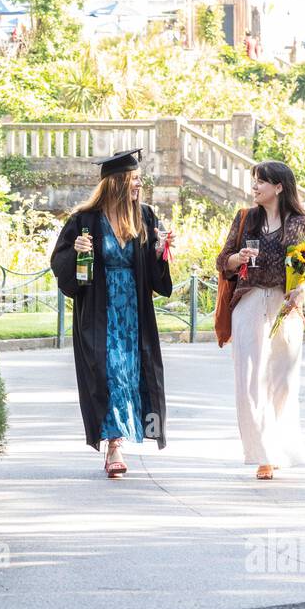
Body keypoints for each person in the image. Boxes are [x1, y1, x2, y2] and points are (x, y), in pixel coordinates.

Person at [51, 149, 173, 477]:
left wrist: (161, 252)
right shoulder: (84, 220)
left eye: (140, 181)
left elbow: (156, 273)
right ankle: (114, 443)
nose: (139, 186)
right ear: (117, 183)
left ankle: (124, 437)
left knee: (131, 374)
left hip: (134, 312)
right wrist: (77, 256)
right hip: (98, 312)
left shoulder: (145, 217)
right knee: (108, 372)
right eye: (134, 181)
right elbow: (63, 269)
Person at [216, 160, 305, 480]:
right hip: (248, 302)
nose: (255, 186)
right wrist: (237, 259)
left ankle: (279, 445)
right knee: (249, 380)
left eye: (261, 181)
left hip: (285, 305)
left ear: (279, 187)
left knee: (282, 383)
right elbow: (223, 261)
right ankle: (263, 453)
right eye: (254, 180)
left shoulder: (301, 224)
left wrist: (302, 291)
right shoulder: (245, 219)